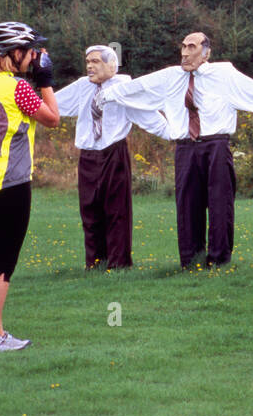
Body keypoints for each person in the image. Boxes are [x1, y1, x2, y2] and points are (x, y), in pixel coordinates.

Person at [101, 31, 253, 269]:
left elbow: (251, 90)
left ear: (206, 53)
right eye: (183, 47)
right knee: (187, 204)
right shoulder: (170, 76)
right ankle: (190, 259)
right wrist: (108, 95)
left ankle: (219, 259)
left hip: (216, 145)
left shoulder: (224, 73)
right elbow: (139, 87)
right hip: (185, 148)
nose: (184, 52)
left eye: (191, 47)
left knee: (220, 203)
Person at [0, 22, 59, 351]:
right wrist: (45, 79)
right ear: (16, 53)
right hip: (10, 182)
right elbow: (53, 118)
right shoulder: (18, 87)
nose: (36, 55)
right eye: (32, 50)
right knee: (3, 263)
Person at [54, 45, 170, 271]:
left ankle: (118, 264)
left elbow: (146, 115)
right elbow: (54, 105)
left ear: (112, 65)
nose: (89, 66)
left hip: (113, 153)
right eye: (87, 61)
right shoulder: (81, 87)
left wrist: (174, 134)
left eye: (96, 61)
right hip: (88, 155)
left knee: (116, 211)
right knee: (89, 211)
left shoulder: (123, 88)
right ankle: (95, 263)